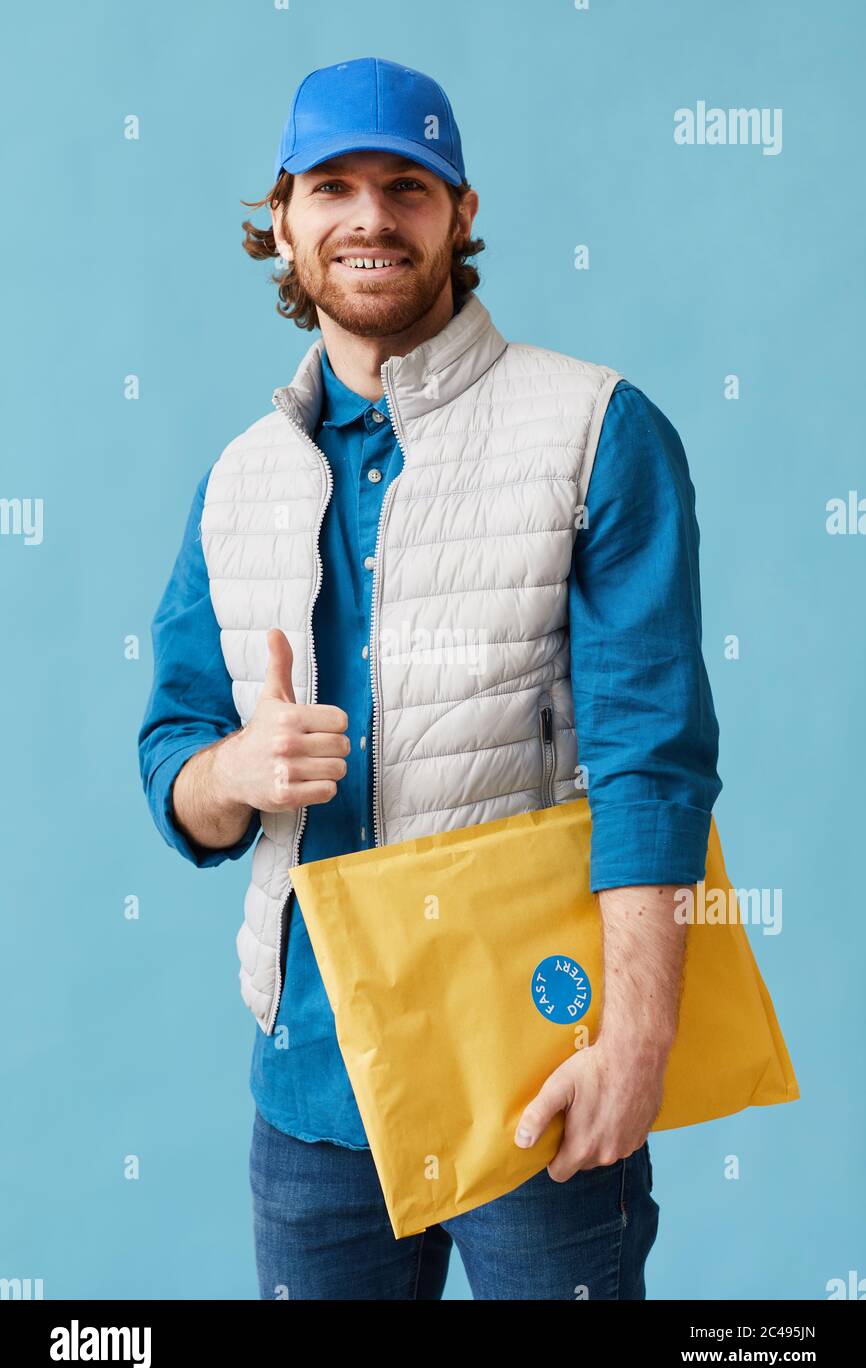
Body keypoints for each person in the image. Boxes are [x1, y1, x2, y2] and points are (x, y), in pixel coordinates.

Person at [138, 56, 722, 1300]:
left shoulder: (596, 431)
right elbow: (172, 754)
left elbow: (649, 761)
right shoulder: (240, 478)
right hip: (304, 1093)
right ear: (283, 220)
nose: (369, 217)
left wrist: (636, 1040)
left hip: (528, 1071)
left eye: (406, 187)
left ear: (459, 214)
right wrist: (233, 770)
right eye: (333, 187)